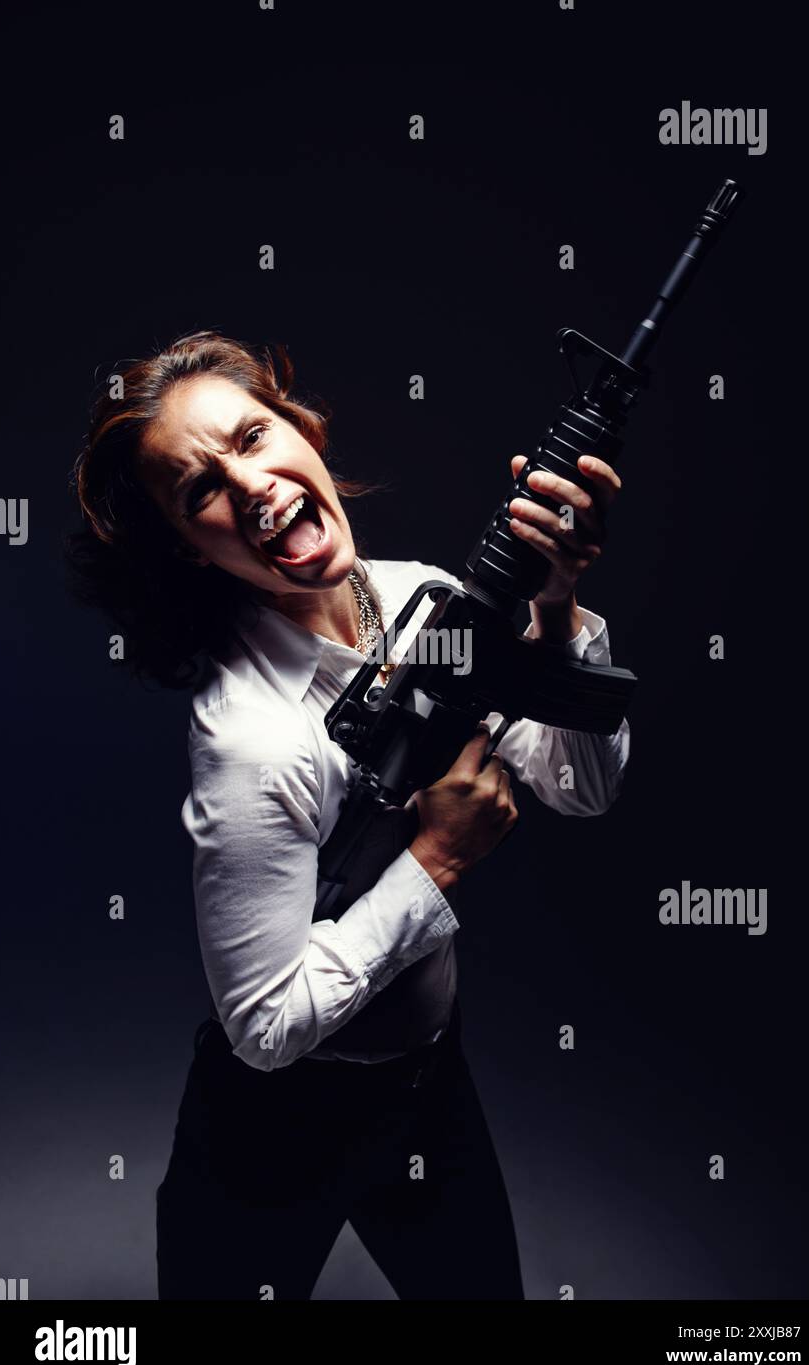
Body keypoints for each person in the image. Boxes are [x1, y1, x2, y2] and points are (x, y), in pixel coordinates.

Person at [69, 330, 630, 1300]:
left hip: (424, 1088)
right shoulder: (252, 737)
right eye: (199, 489)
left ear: (303, 432)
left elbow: (579, 786)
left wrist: (553, 604)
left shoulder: (423, 600)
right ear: (185, 549)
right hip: (268, 1132)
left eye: (251, 437)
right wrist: (437, 863)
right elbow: (263, 1025)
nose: (249, 486)